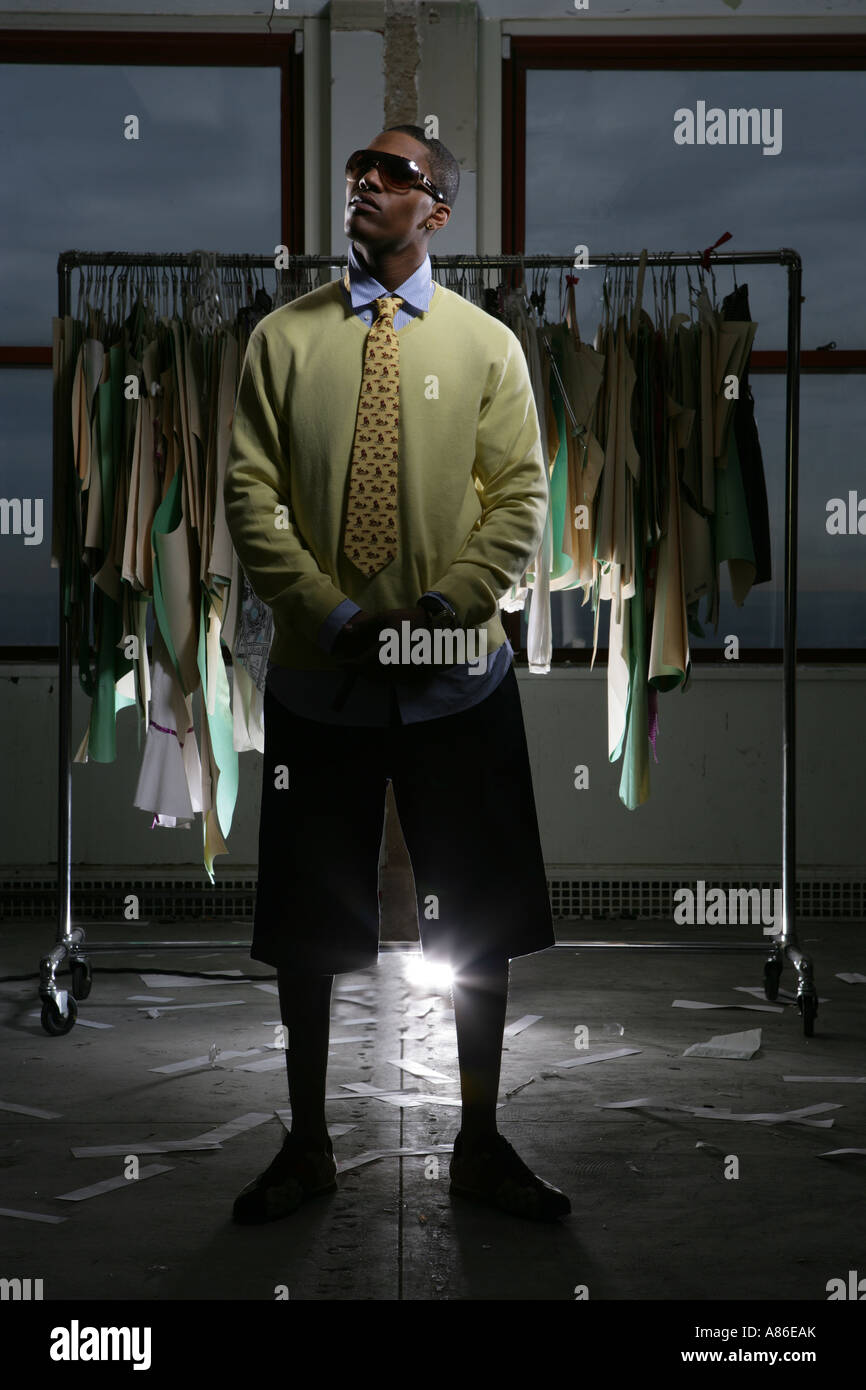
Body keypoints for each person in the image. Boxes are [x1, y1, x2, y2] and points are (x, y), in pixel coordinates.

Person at [223, 125, 571, 1224]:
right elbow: (249, 498)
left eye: (392, 175)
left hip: (455, 681)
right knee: (306, 926)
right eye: (356, 171)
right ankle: (308, 1145)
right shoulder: (282, 340)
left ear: (439, 212)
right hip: (320, 687)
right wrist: (329, 614)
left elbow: (519, 498)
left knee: (472, 918)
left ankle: (477, 1139)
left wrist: (436, 612)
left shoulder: (484, 348)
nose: (363, 184)